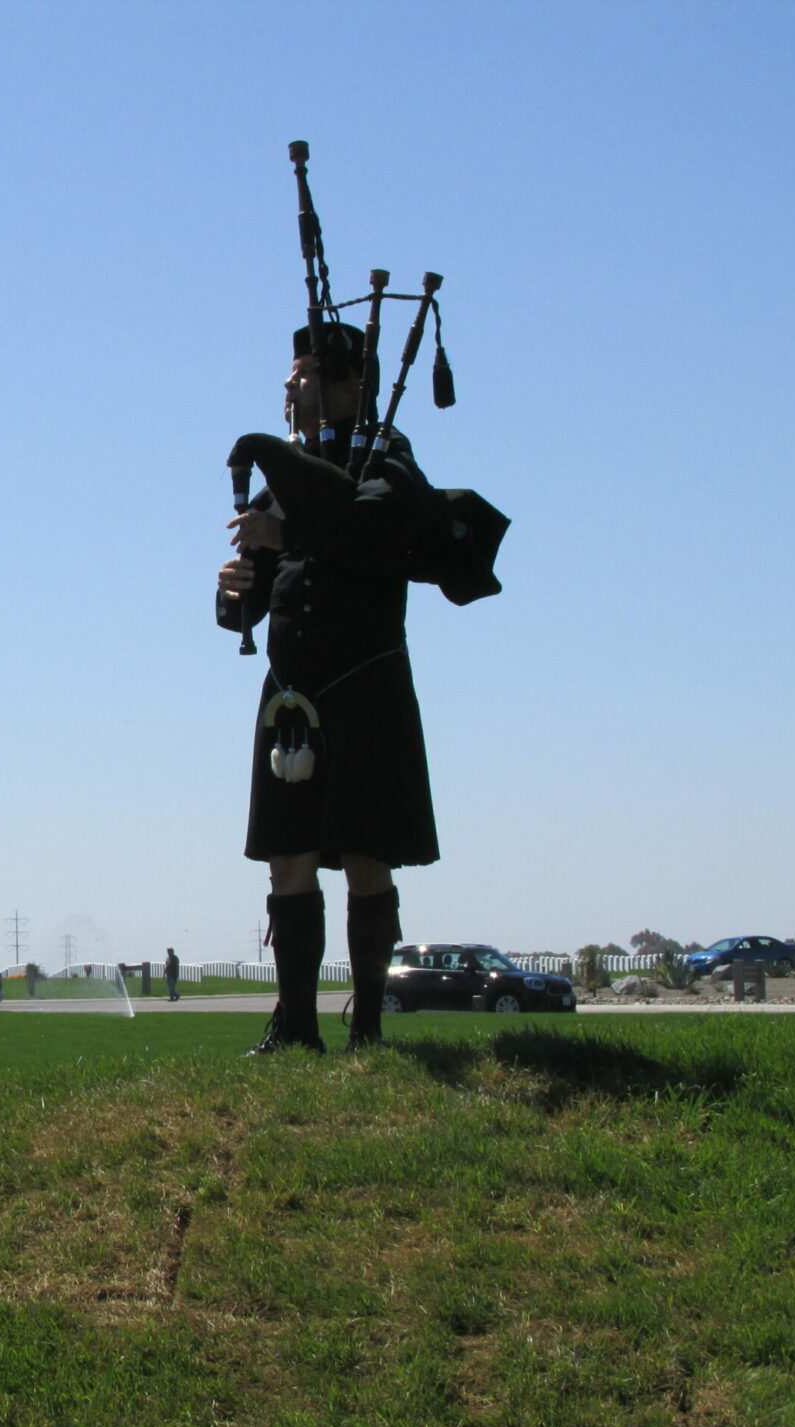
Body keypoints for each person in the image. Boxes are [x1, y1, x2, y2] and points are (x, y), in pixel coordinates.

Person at [216, 322, 440, 1053]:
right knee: (290, 858)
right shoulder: (287, 479)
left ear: (350, 385)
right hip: (291, 694)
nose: (290, 388)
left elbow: (372, 535)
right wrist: (232, 592)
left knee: (368, 854)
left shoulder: (388, 460)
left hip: (365, 687)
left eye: (304, 375)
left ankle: (369, 1027)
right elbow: (255, 601)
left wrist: (288, 538)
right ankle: (296, 1029)